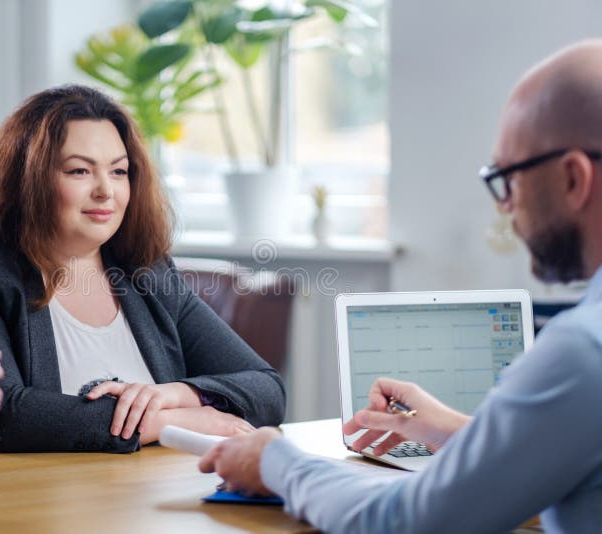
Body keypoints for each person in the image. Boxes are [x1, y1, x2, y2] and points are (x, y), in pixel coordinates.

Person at [198, 39, 602, 533]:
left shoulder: (584, 351)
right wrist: (455, 432)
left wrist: (277, 462)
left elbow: (402, 522)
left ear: (574, 179)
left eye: (507, 178)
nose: (505, 205)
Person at [0, 85, 285, 453]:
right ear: (27, 180)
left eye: (119, 172)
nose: (106, 190)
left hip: (160, 502)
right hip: (43, 506)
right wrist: (162, 421)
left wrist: (177, 395)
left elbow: (267, 388)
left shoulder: (148, 274)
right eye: (79, 171)